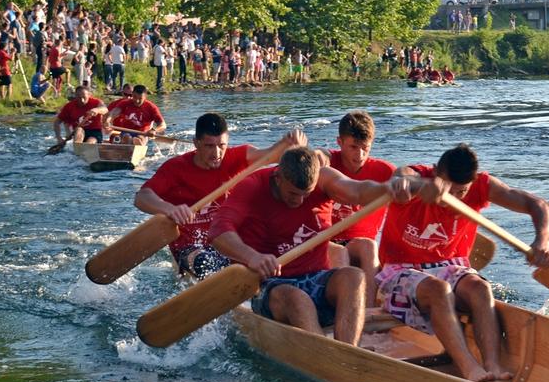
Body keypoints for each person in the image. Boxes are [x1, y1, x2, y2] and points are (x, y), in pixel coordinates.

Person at [376, 144, 549, 382]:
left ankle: (492, 364)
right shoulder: (417, 175)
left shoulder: (482, 186)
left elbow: (541, 206)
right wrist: (412, 186)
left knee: (481, 289)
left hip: (451, 264)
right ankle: (469, 368)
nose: (455, 198)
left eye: (462, 192)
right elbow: (402, 176)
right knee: (439, 291)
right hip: (400, 268)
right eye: (449, 188)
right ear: (436, 171)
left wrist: (542, 241)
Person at [210, 147, 414, 345]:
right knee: (298, 299)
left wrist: (386, 188)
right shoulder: (252, 186)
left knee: (354, 277)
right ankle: (325, 356)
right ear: (278, 177)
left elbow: (358, 191)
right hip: (270, 285)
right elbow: (218, 231)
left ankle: (346, 353)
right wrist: (252, 257)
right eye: (292, 194)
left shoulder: (324, 177)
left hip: (316, 278)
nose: (299, 201)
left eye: (306, 194)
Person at [135, 113, 305, 278]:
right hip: (192, 246)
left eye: (221, 145)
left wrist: (289, 145)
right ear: (196, 143)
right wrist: (169, 209)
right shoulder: (175, 168)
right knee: (206, 264)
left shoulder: (237, 156)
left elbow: (271, 156)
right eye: (209, 146)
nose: (216, 153)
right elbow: (142, 197)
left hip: (230, 240)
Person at [326, 111, 395, 306]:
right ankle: (342, 309)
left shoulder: (386, 172)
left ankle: (370, 310)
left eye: (365, 148)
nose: (360, 155)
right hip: (324, 242)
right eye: (353, 147)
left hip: (360, 246)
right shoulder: (326, 163)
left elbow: (410, 180)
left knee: (368, 246)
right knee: (340, 254)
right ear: (339, 142)